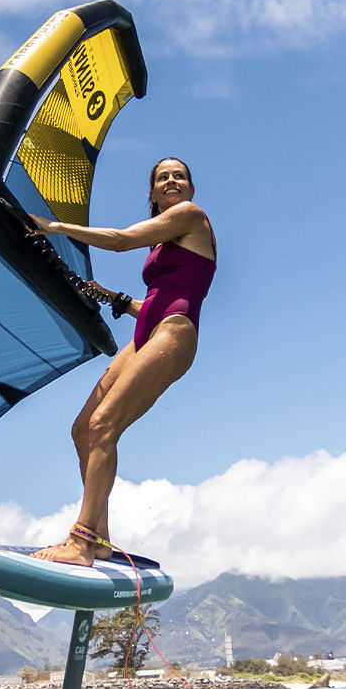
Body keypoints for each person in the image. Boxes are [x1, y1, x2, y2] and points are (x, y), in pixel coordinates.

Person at [29, 157, 217, 566]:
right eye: (162, 177)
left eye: (179, 176)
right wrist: (113, 298)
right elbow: (154, 300)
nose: (172, 181)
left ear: (190, 189)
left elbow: (118, 239)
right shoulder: (165, 240)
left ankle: (79, 542)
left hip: (174, 334)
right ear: (151, 192)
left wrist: (56, 227)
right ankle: (99, 538)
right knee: (83, 429)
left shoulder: (189, 216)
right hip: (147, 331)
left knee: (104, 424)